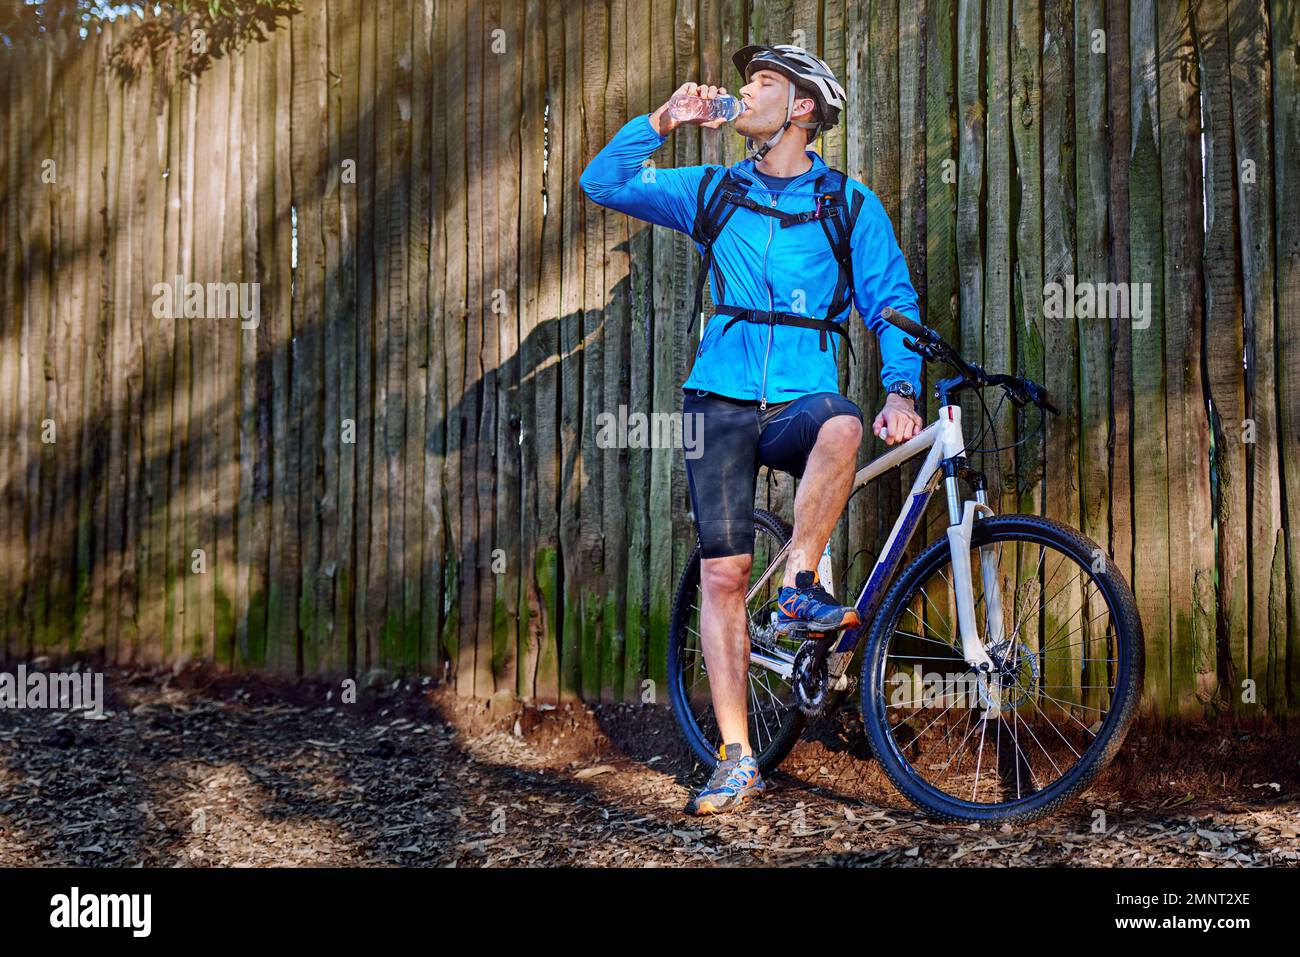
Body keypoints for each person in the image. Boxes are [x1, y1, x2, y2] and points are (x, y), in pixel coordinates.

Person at [579, 44, 925, 815]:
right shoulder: (712, 190)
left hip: (801, 394)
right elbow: (601, 182)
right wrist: (665, 120)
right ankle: (737, 755)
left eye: (763, 82)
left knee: (841, 425)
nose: (743, 91)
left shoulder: (848, 204)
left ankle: (801, 584)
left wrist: (901, 386)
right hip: (719, 400)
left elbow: (890, 300)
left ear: (802, 107)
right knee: (724, 575)